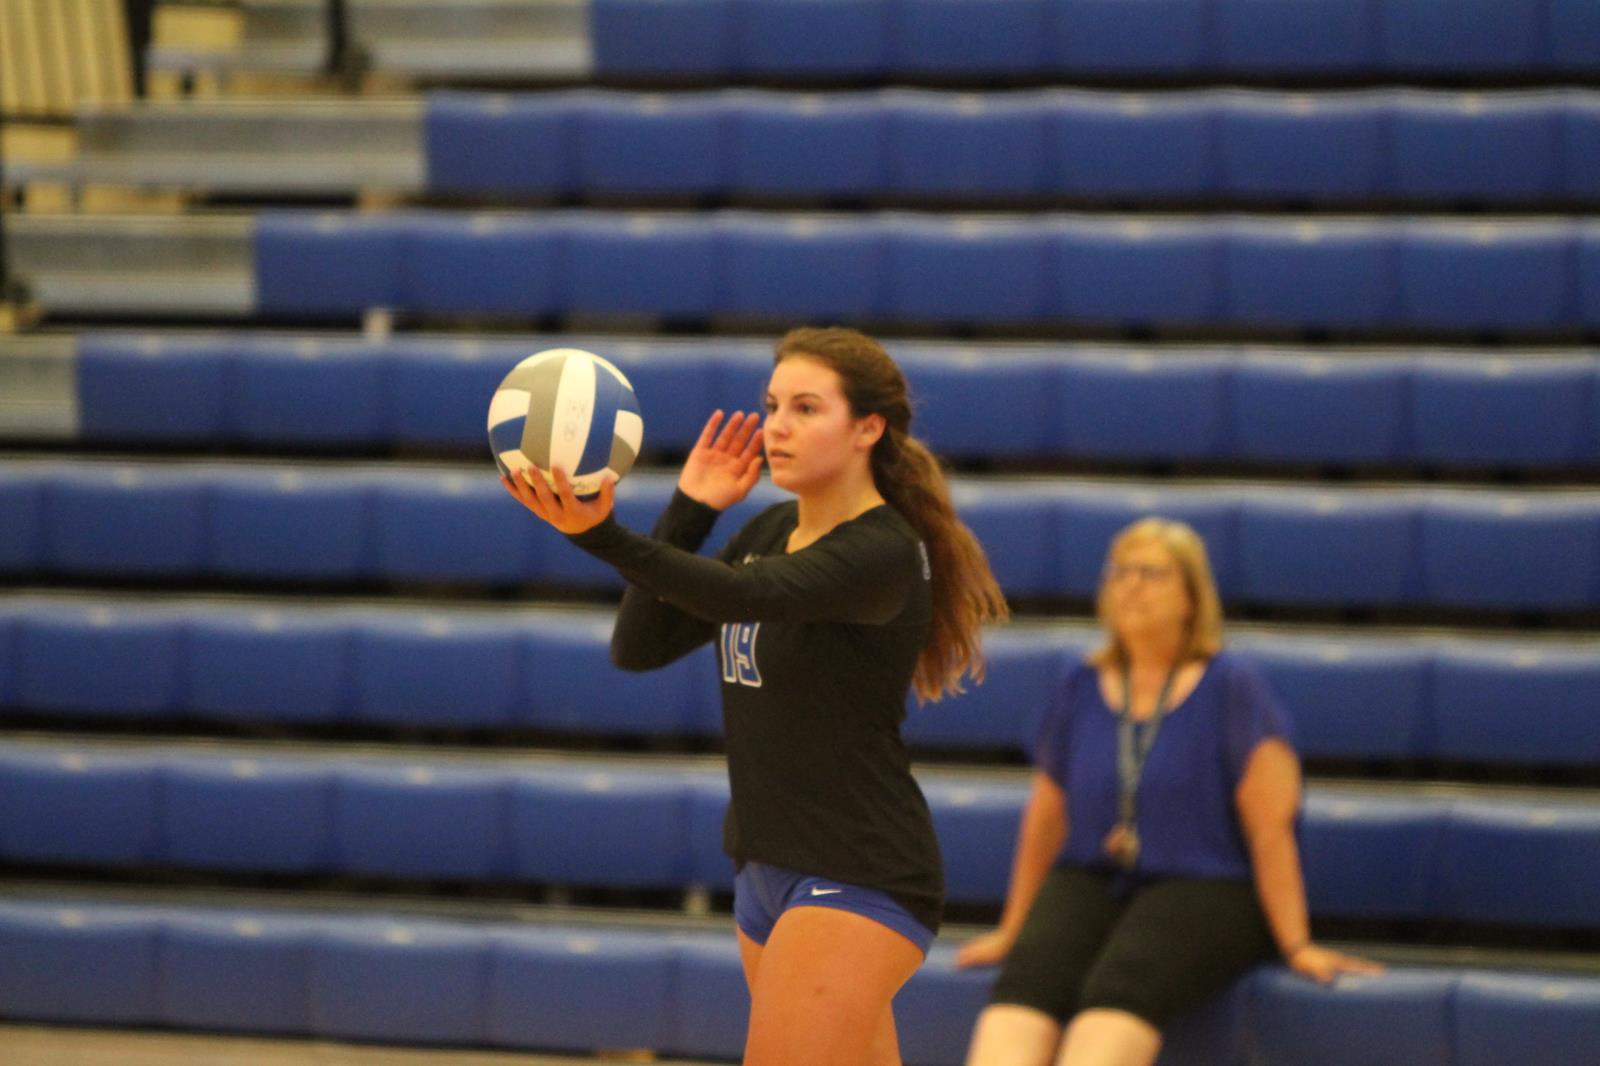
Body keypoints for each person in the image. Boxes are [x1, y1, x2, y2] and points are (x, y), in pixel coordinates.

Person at [502, 326, 1009, 1066]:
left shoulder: (880, 552)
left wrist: (599, 533)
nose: (777, 425)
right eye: (772, 405)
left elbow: (741, 592)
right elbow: (639, 646)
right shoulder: (772, 526)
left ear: (868, 428)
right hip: (765, 867)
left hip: (857, 872)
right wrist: (691, 507)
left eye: (807, 408)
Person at [959, 518, 1381, 1066]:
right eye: (1120, 572)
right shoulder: (1079, 683)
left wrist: (1296, 943)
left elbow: (1270, 826)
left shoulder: (1233, 685)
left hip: (1207, 883)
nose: (1131, 584)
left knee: (1116, 991)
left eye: (1151, 573)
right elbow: (1045, 817)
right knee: (1026, 986)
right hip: (1096, 875)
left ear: (1191, 598)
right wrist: (1014, 927)